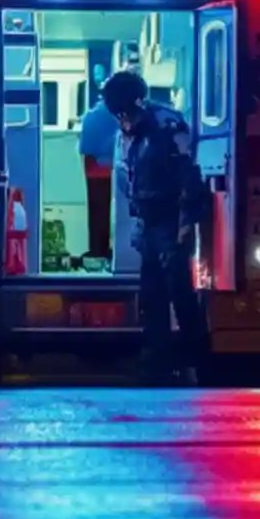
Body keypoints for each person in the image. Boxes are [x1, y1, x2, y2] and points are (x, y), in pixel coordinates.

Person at [101, 70, 209, 385]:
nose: (123, 119)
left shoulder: (167, 126)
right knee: (151, 295)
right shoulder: (128, 128)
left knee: (181, 293)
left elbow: (188, 176)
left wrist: (185, 224)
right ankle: (157, 363)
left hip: (170, 217)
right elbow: (128, 173)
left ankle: (197, 360)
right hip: (147, 220)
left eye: (125, 112)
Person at [78, 93, 121, 262]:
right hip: (119, 167)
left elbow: (85, 148)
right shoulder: (121, 114)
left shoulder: (91, 116)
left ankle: (97, 250)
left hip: (95, 169)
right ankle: (113, 251)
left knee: (97, 211)